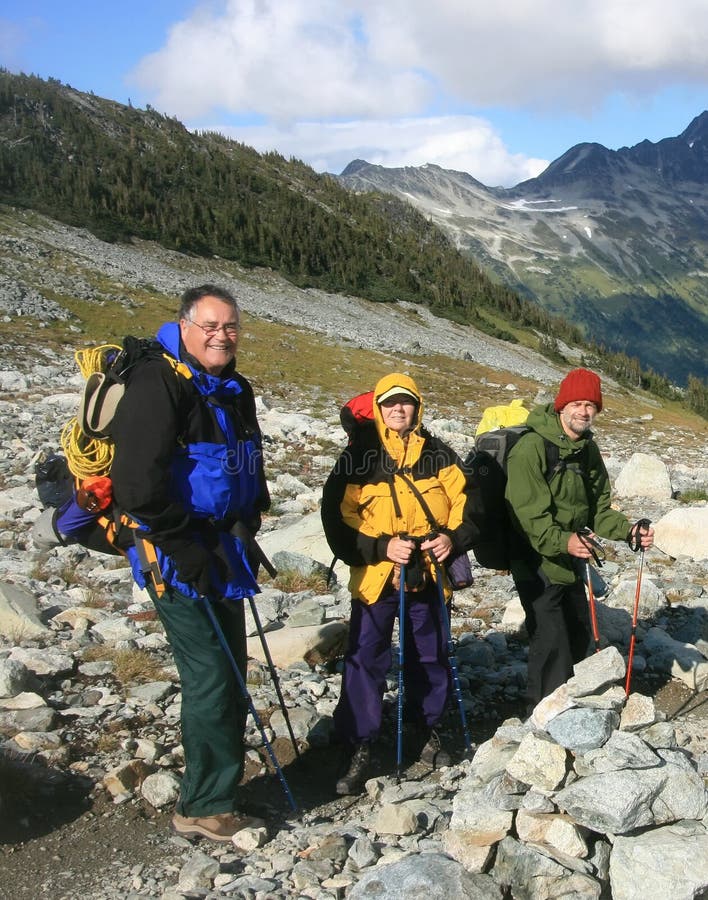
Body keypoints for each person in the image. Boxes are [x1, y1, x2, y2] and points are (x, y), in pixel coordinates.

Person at [110, 284, 270, 841]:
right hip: (175, 554)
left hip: (223, 547)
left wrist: (249, 521)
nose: (222, 336)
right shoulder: (158, 383)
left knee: (229, 668)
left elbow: (249, 460)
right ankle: (203, 805)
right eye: (210, 326)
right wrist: (185, 549)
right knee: (211, 675)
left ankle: (217, 787)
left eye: (230, 326)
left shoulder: (233, 387)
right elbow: (136, 487)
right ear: (184, 325)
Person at [321, 373, 476, 795]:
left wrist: (453, 538)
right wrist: (380, 547)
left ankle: (425, 729)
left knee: (429, 652)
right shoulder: (359, 456)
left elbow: (469, 501)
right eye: (389, 403)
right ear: (377, 407)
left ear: (417, 406)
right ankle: (358, 742)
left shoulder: (439, 453)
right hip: (377, 575)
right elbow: (337, 517)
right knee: (365, 657)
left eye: (406, 402)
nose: (398, 410)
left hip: (427, 571)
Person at [504, 367, 654, 709]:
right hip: (533, 556)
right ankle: (540, 717)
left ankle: (570, 705)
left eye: (591, 405)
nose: (584, 411)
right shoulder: (531, 449)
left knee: (577, 632)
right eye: (577, 403)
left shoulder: (587, 450)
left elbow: (600, 509)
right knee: (551, 638)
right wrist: (565, 542)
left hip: (570, 555)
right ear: (561, 405)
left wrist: (629, 531)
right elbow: (530, 517)